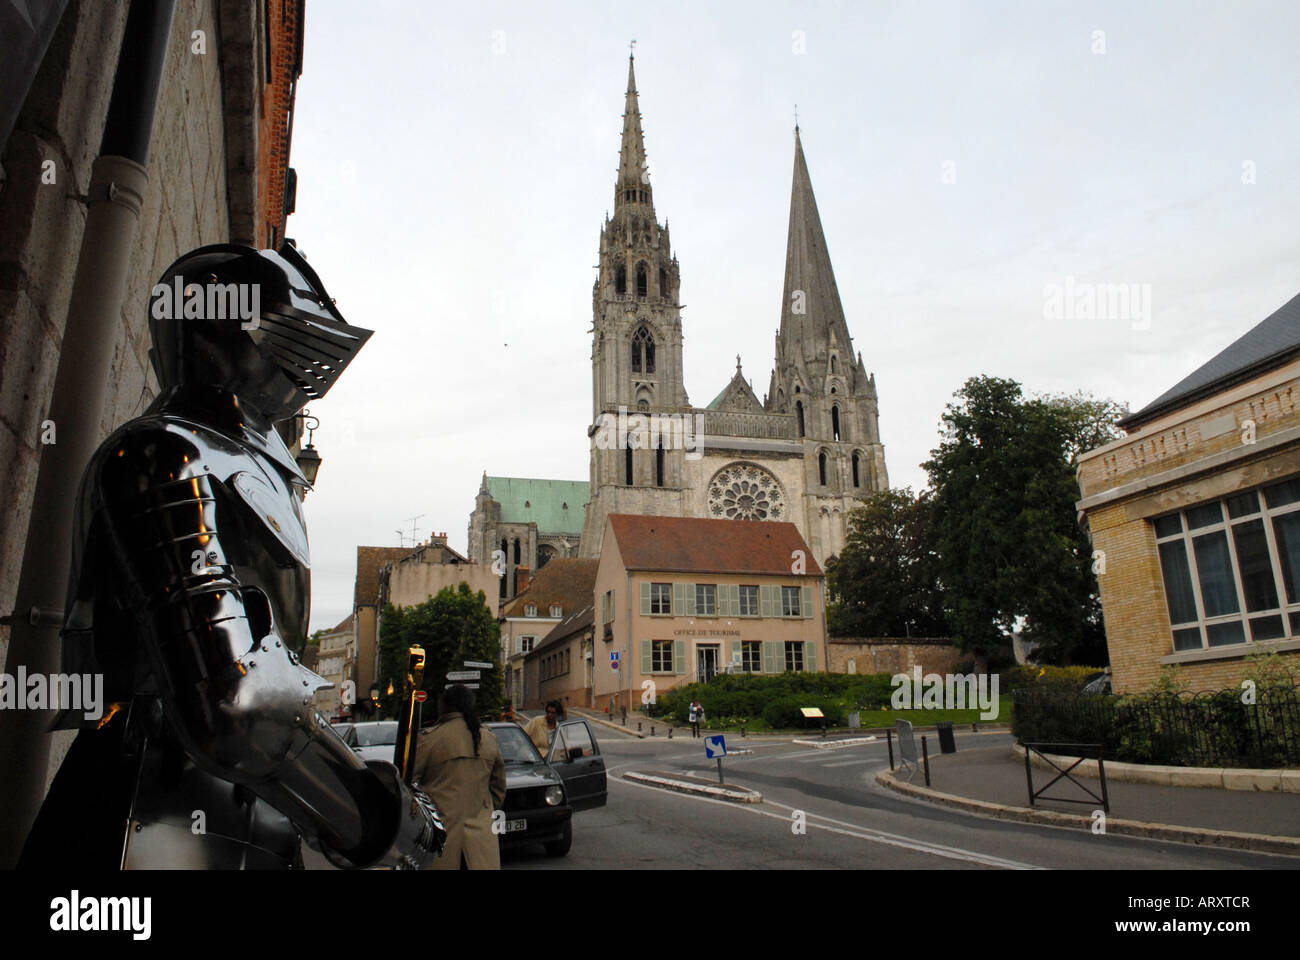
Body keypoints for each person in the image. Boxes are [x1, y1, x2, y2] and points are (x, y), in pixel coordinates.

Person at [19, 243, 443, 870]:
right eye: (287, 335)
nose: (306, 371)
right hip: (147, 817)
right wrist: (379, 818)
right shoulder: (164, 455)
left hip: (247, 817)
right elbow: (236, 707)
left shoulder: (238, 463)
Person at [413, 684, 507, 870]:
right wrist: (484, 809)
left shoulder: (429, 739)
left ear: (444, 706)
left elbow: (410, 787)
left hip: (442, 838)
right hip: (481, 840)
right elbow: (498, 788)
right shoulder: (487, 738)